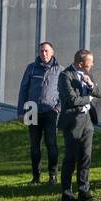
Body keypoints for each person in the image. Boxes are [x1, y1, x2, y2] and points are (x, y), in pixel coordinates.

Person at [58, 49, 101, 201]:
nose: (92, 64)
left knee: (85, 156)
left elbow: (98, 93)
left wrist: (90, 85)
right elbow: (72, 100)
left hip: (87, 119)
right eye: (90, 62)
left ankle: (84, 189)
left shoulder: (88, 73)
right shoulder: (65, 76)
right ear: (81, 63)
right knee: (71, 156)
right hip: (72, 120)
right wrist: (89, 98)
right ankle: (67, 191)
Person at [16, 41, 62, 184]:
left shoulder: (60, 70)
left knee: (51, 144)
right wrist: (21, 111)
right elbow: (23, 89)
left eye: (47, 51)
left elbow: (64, 92)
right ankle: (36, 177)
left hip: (50, 111)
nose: (44, 53)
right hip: (32, 110)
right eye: (41, 51)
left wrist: (58, 108)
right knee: (34, 146)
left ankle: (53, 176)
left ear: (52, 52)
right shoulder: (31, 68)